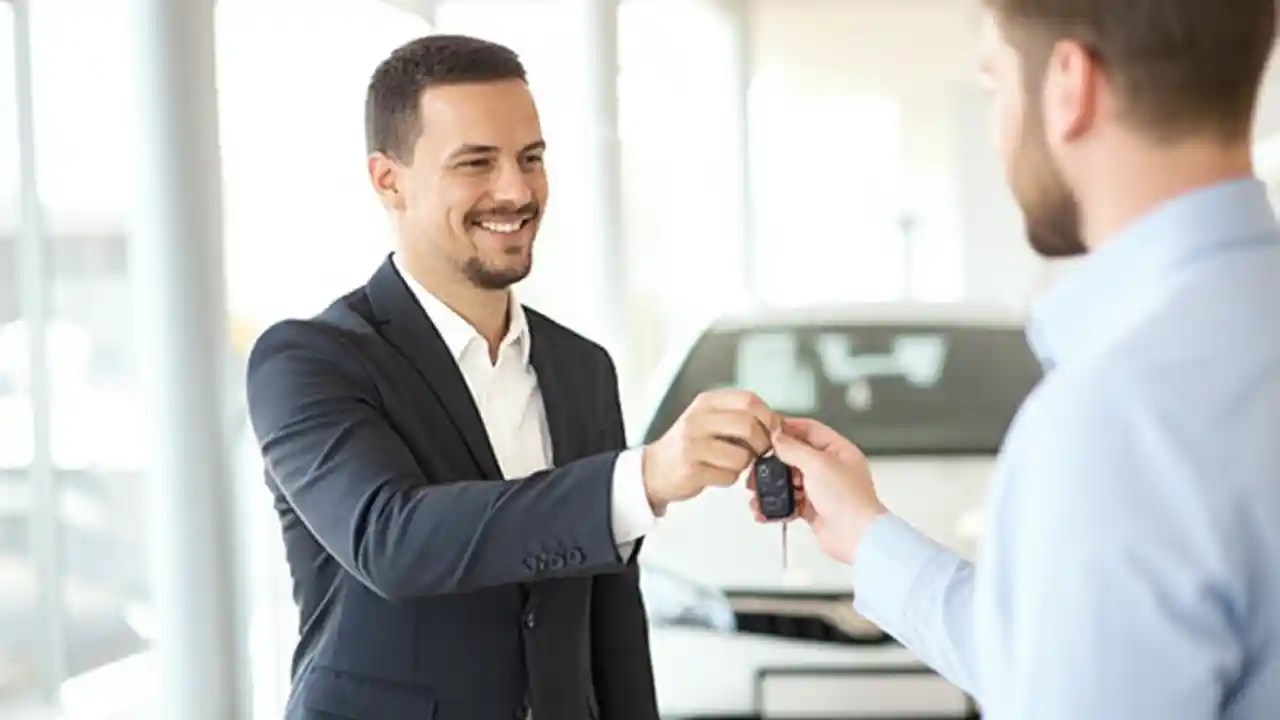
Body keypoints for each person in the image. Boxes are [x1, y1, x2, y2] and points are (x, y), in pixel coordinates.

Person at [757, 1, 1280, 718]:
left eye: (994, 83)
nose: (998, 125)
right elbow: (1066, 661)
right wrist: (868, 536)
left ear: (1070, 86)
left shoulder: (1117, 420)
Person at [245, 35, 778, 720]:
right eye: (476, 163)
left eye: (530, 159)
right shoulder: (308, 360)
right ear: (388, 180)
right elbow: (392, 541)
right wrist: (640, 478)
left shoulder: (581, 367)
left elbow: (611, 621)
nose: (517, 190)